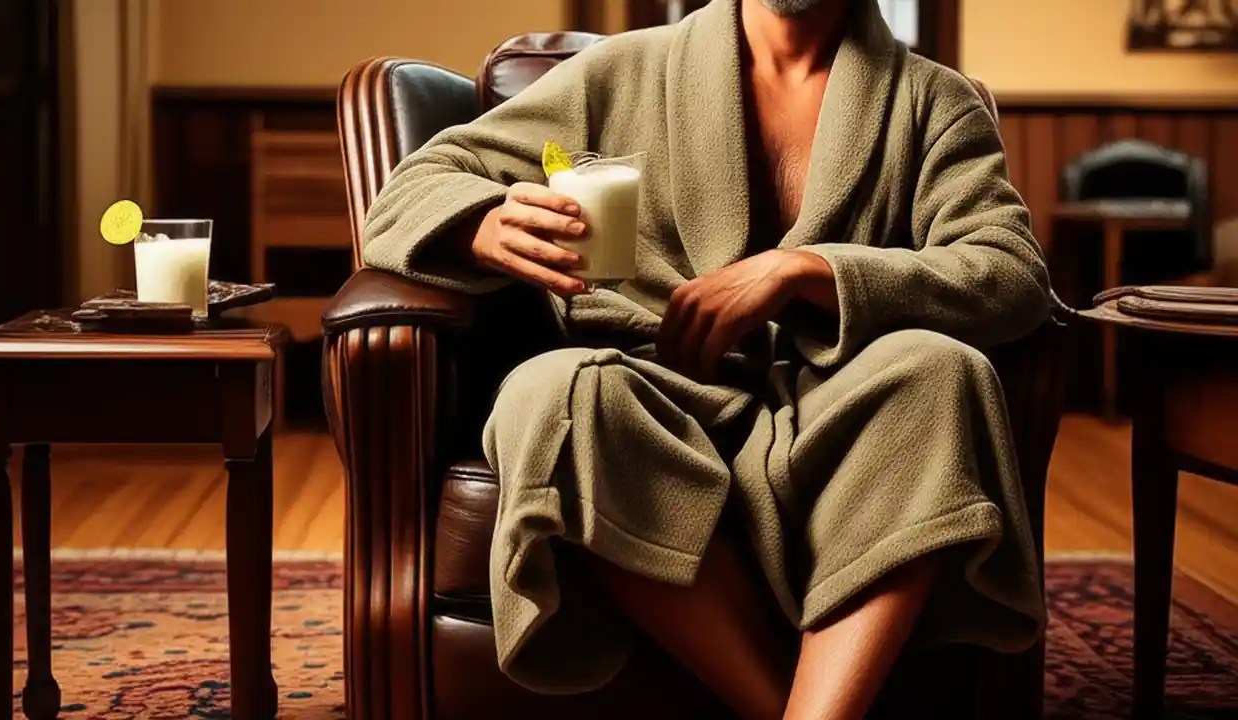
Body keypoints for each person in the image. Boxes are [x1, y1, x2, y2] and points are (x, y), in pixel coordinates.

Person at [362, 0, 1053, 718]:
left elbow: (1010, 274)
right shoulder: (619, 72)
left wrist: (809, 270)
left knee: (942, 371)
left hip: (846, 402)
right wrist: (482, 221)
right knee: (553, 392)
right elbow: (412, 188)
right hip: (657, 393)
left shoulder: (933, 101)